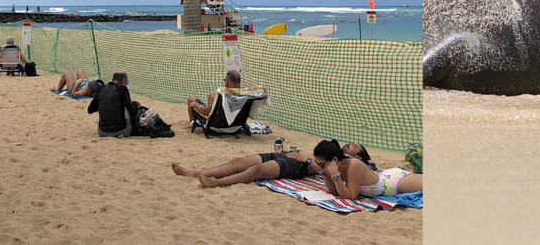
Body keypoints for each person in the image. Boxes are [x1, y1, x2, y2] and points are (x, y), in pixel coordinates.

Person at [314, 139, 422, 199]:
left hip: (394, 182)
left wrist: (335, 176)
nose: (321, 167)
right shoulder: (337, 166)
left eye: (322, 164)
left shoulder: (353, 165)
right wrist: (324, 173)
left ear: (334, 159)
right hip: (387, 181)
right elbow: (334, 191)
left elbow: (350, 196)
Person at [172, 147, 322, 188]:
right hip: (286, 155)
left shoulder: (342, 160)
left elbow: (323, 171)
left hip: (296, 165)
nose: (347, 144)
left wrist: (305, 159)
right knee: (237, 162)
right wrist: (287, 150)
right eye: (347, 143)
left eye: (347, 145)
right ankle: (193, 173)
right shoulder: (332, 145)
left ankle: (217, 182)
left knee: (255, 170)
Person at [88, 71, 139, 137]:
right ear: (123, 80)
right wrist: (136, 104)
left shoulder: (101, 89)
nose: (126, 84)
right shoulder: (123, 89)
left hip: (102, 132)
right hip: (121, 131)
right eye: (126, 83)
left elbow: (90, 110)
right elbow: (133, 113)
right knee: (126, 112)